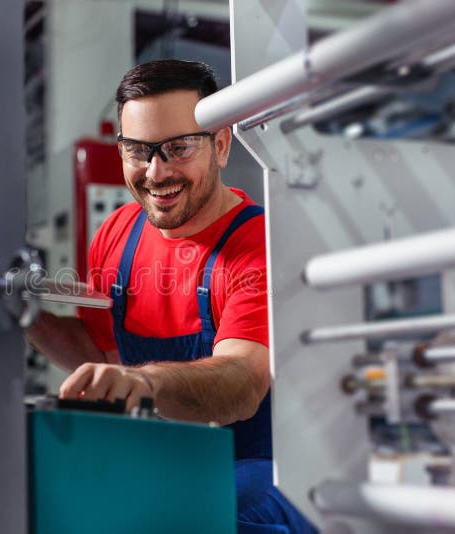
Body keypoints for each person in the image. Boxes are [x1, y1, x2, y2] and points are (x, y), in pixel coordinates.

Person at [25, 59, 315, 534]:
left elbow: (241, 383)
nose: (156, 172)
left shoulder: (260, 243)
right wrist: (27, 317)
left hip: (262, 470)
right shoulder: (117, 234)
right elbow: (105, 357)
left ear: (220, 146)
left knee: (196, 517)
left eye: (178, 148)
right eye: (138, 151)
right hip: (164, 455)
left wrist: (146, 383)